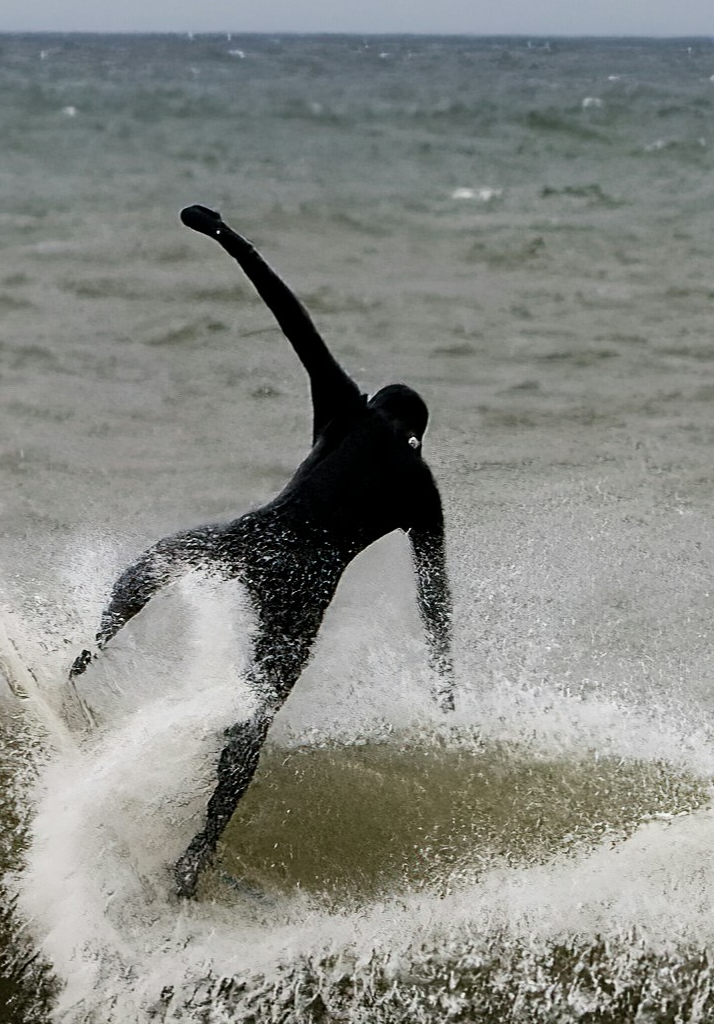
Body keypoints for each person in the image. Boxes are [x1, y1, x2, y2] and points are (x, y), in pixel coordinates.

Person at [71, 204, 453, 897]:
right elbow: (434, 591)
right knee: (254, 716)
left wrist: (223, 234)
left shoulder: (346, 407)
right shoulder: (420, 487)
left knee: (163, 558)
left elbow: (288, 313)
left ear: (378, 404)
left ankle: (87, 651)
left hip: (260, 540)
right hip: (307, 590)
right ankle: (199, 850)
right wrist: (443, 674)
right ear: (418, 436)